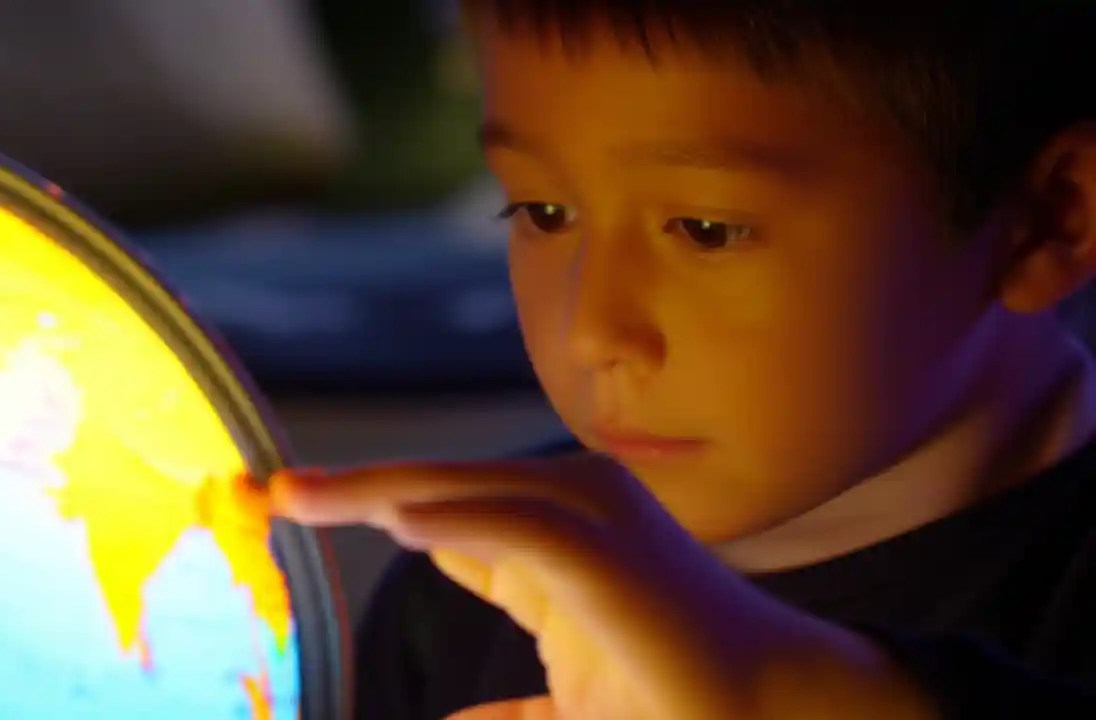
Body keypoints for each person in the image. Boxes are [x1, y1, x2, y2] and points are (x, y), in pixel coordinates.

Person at [272, 2, 1096, 718]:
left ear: (1049, 220)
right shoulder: (480, 587)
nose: (592, 331)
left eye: (707, 231)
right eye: (543, 210)